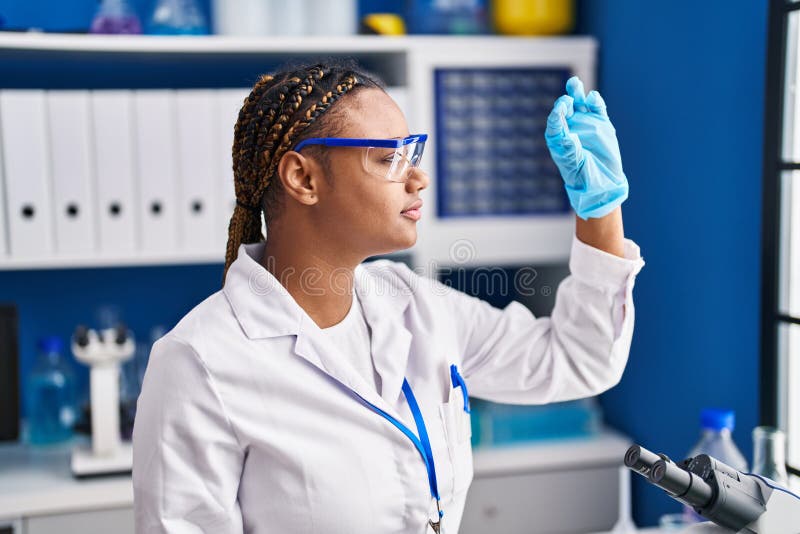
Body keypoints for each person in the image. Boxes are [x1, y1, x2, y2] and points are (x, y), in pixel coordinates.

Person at [132, 59, 644, 533]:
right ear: (303, 177)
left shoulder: (415, 305)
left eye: (412, 153)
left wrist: (601, 208)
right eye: (388, 158)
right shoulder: (199, 363)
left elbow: (580, 358)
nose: (418, 178)